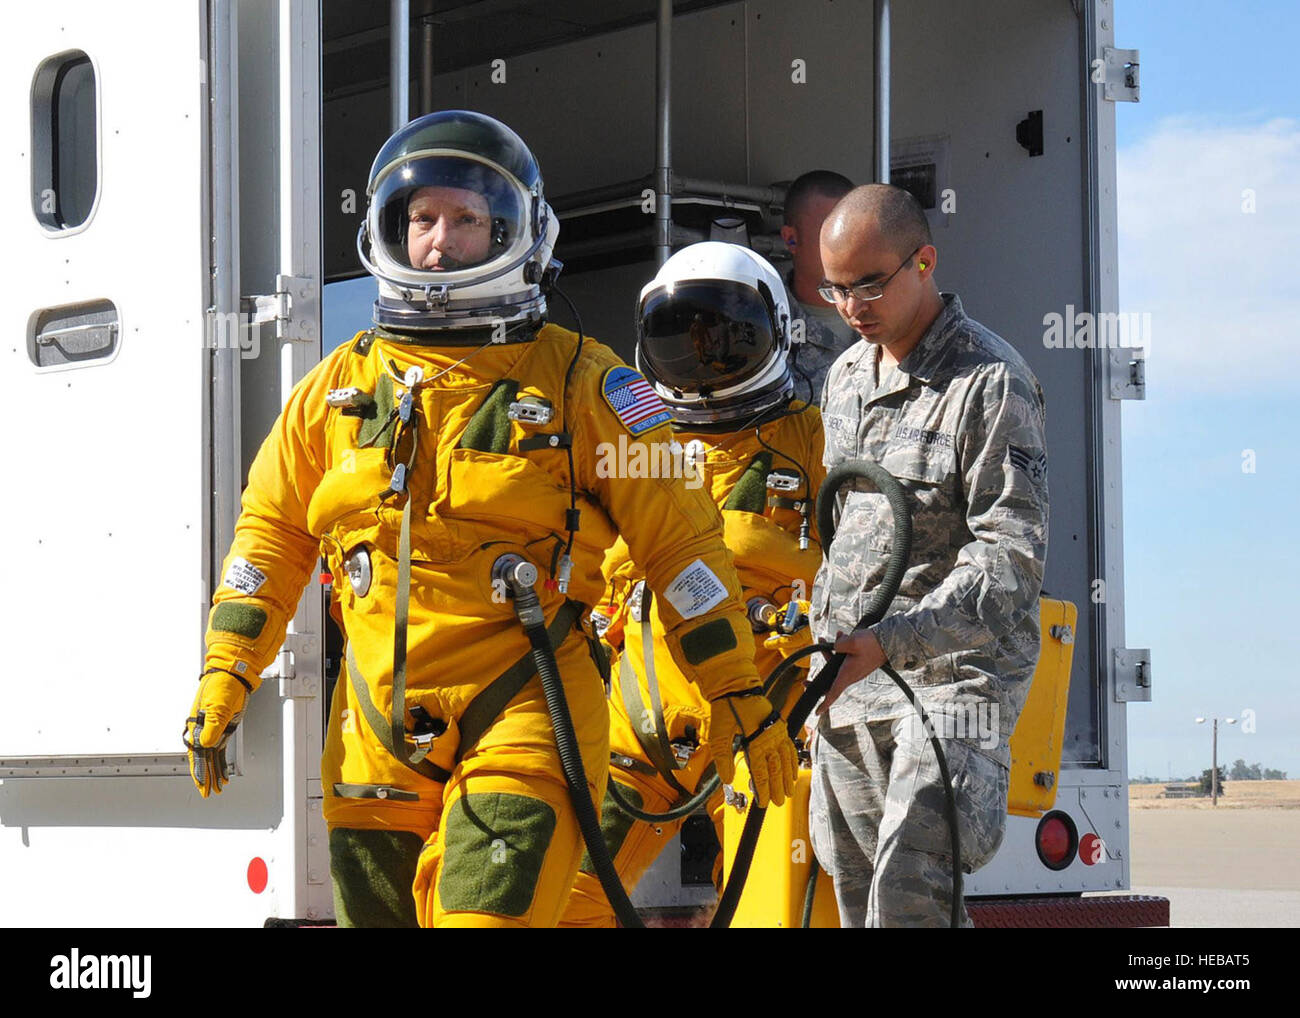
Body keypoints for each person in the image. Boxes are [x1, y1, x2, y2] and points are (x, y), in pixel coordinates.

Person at [183, 110, 797, 928]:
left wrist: (737, 692)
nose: (440, 241)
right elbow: (269, 537)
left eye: (467, 219)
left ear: (519, 231)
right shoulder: (336, 391)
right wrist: (227, 672)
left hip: (525, 709)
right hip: (372, 728)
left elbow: (679, 548)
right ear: (387, 232)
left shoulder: (589, 385)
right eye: (422, 219)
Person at [558, 242, 826, 926]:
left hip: (764, 724)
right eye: (684, 340)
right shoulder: (634, 445)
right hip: (640, 723)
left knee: (773, 909)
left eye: (725, 339)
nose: (705, 360)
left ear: (775, 332)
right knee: (562, 899)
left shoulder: (816, 439)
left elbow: (870, 571)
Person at [807, 183, 1049, 927]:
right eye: (837, 291)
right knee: (859, 902)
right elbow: (846, 529)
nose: (853, 309)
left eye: (870, 285)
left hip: (954, 680)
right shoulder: (846, 378)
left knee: (907, 891)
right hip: (853, 677)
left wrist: (895, 641)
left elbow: (1012, 559)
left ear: (926, 261)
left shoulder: (990, 382)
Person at [778, 170, 857, 402]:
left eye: (853, 232)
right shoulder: (765, 329)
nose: (846, 245)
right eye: (829, 233)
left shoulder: (891, 318)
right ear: (791, 239)